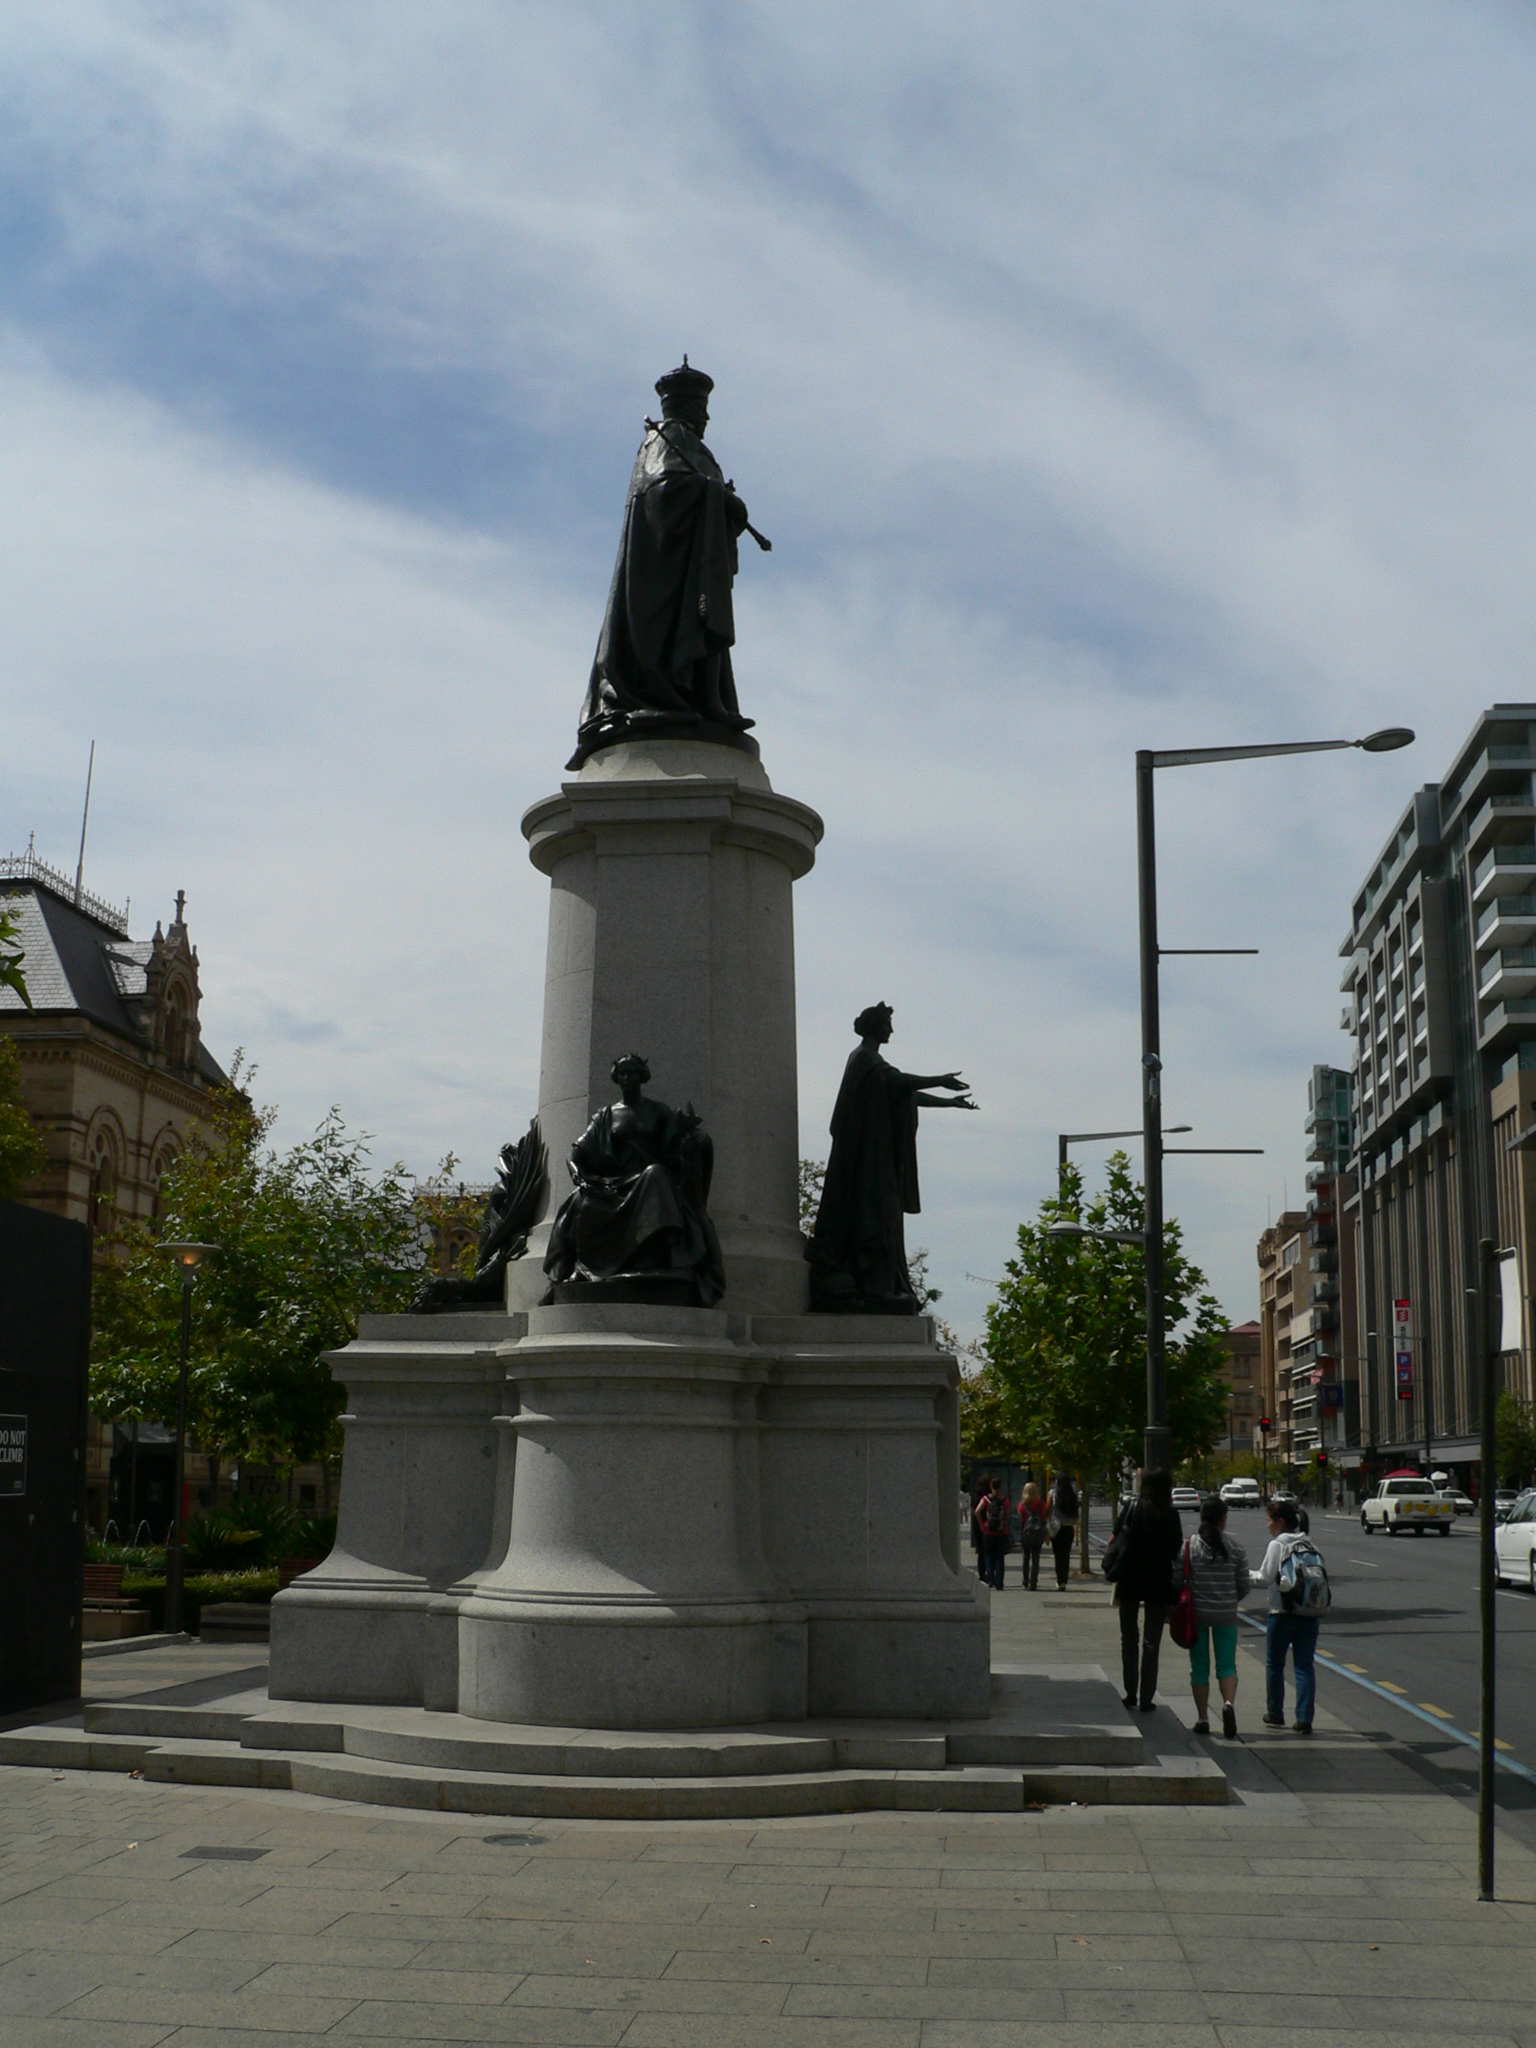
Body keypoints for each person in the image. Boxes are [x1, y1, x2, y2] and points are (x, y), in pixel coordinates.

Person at [573, 360, 761, 768]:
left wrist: (722, 507)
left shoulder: (695, 447)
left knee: (705, 625)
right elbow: (663, 490)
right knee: (687, 625)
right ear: (683, 408)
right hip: (665, 568)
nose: (706, 416)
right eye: (700, 407)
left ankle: (708, 701)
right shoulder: (665, 438)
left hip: (696, 562)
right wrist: (717, 498)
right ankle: (681, 698)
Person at [806, 1004, 975, 1313]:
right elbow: (899, 1084)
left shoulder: (872, 1064)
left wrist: (949, 1103)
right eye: (888, 1024)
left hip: (875, 1160)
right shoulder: (865, 1060)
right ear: (875, 1027)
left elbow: (903, 1092)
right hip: (866, 1163)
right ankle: (873, 1288)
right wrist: (939, 1079)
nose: (892, 1030)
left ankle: (880, 1286)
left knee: (884, 1217)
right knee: (875, 1217)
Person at [1112, 1470, 1183, 1712]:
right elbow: (1176, 1547)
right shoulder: (1170, 1513)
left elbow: (1117, 1534)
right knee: (1152, 1641)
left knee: (1128, 1636)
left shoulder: (1133, 1507)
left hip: (1130, 1577)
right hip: (1157, 1580)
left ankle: (1130, 1692)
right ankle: (1146, 1698)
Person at [1184, 1495, 1251, 1738]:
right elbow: (1243, 1584)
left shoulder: (1189, 1547)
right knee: (1227, 1665)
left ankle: (1203, 1718)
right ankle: (1228, 1704)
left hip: (1197, 1615)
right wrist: (1230, 1599)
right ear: (1223, 1520)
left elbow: (1176, 1578)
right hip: (1225, 1614)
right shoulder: (1235, 1548)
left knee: (1199, 1667)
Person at [1255, 1496, 1320, 1734]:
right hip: (1309, 1612)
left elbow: (1265, 1577)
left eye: (1269, 1520)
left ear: (1279, 1521)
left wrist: (1240, 1576)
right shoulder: (1309, 1543)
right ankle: (1304, 1719)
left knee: (1274, 1664)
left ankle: (1275, 1713)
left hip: (1282, 1613)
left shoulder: (1278, 1544)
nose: (1267, 1525)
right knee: (1304, 1667)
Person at [974, 1478, 1008, 1591]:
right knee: (999, 1557)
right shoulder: (1004, 1499)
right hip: (1001, 1532)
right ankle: (999, 1582)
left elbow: (977, 1511)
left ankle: (990, 1579)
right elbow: (1007, 1516)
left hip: (988, 1531)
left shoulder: (986, 1499)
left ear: (990, 1486)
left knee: (988, 1555)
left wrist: (981, 1525)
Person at [1048, 1472, 1079, 1589]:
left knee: (1058, 1555)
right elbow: (1076, 1516)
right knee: (1066, 1555)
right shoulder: (1072, 1496)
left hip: (1056, 1528)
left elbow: (1047, 1510)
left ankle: (1059, 1579)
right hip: (1069, 1528)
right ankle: (1063, 1581)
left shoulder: (1053, 1494)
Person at [1018, 1481, 1048, 1590]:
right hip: (1038, 1533)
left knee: (1026, 1557)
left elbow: (1021, 1521)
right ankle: (1033, 1582)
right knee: (1036, 1557)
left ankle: (1025, 1580)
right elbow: (1044, 1518)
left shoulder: (1022, 1504)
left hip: (1026, 1533)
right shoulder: (1041, 1503)